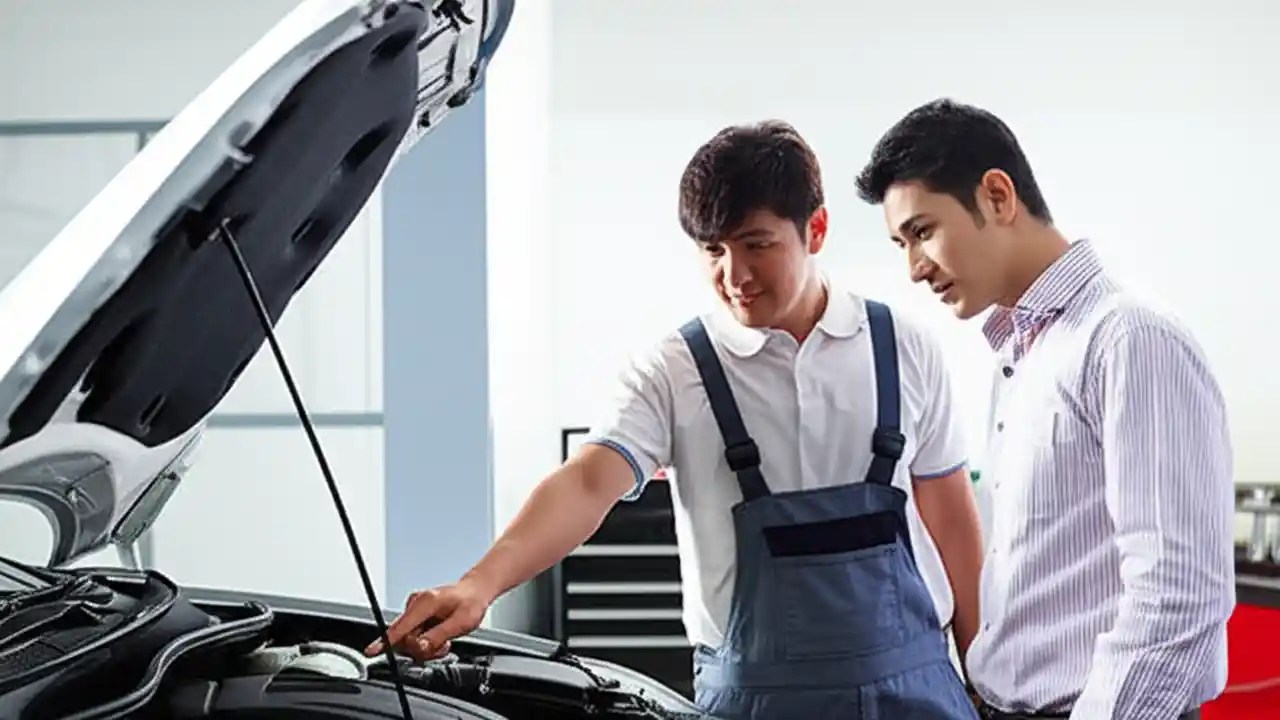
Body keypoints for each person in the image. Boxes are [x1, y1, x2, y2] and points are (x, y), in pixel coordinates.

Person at [366, 119, 986, 718]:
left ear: (816, 230)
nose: (734, 275)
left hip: (917, 690)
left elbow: (951, 520)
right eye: (712, 250)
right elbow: (587, 482)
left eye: (756, 245)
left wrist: (984, 677)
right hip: (757, 700)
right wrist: (479, 585)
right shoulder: (675, 370)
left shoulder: (903, 347)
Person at [854, 98, 1235, 720]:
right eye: (901, 242)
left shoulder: (1129, 339)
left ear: (998, 196)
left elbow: (1179, 595)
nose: (914, 269)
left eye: (923, 232)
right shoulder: (1023, 354)